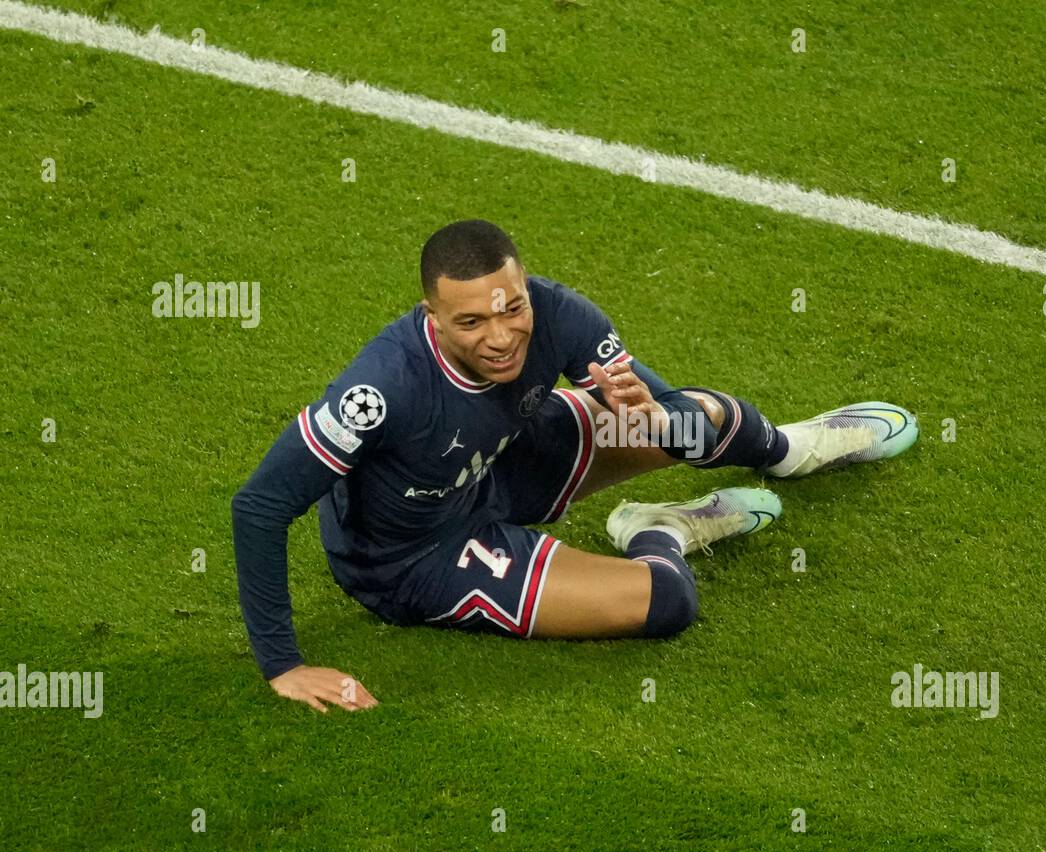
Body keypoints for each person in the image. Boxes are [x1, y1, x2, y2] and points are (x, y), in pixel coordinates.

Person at [232, 220, 917, 712]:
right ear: (431, 317)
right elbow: (261, 505)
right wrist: (282, 666)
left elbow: (676, 419)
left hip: (504, 465)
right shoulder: (381, 390)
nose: (501, 338)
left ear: (524, 288)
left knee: (703, 417)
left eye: (512, 309)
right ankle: (663, 530)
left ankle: (792, 452)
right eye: (471, 324)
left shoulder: (560, 315)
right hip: (417, 555)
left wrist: (656, 419)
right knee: (666, 601)